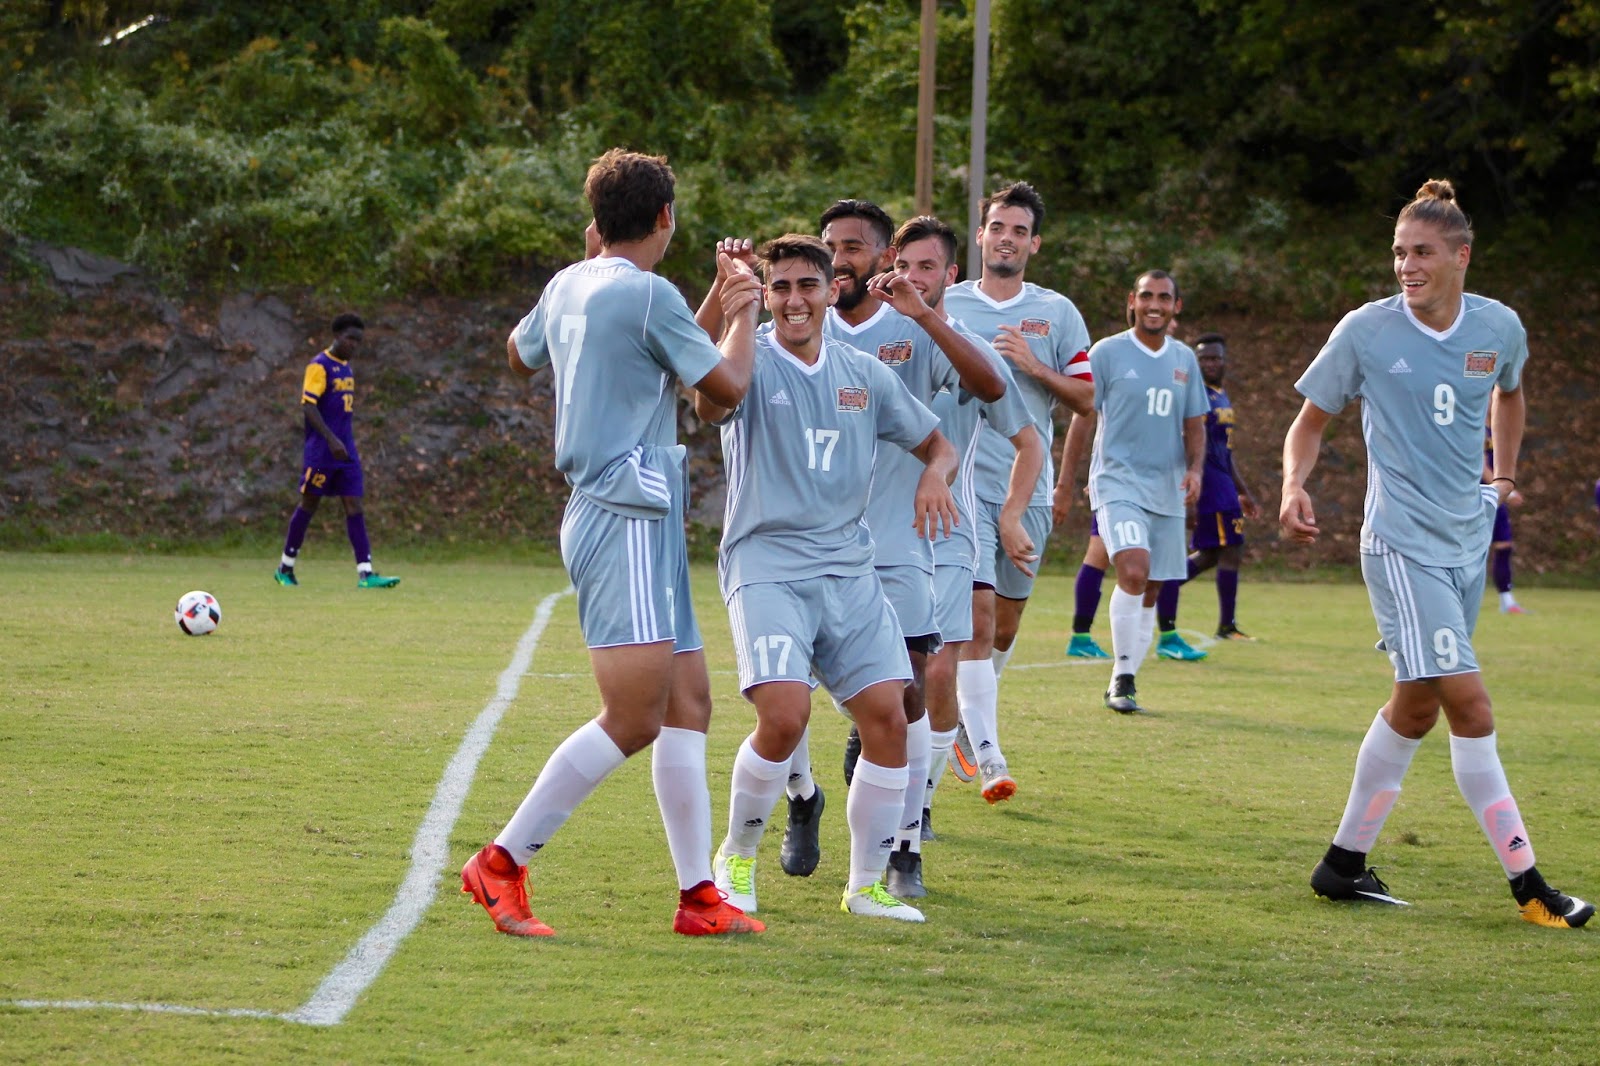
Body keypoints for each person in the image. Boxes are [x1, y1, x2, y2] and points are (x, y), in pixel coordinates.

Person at [461, 148, 766, 939]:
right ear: (665, 216)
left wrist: (712, 300)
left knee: (689, 705)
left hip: (641, 517)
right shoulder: (647, 294)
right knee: (633, 718)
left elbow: (520, 355)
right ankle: (500, 861)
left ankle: (698, 897)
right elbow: (725, 389)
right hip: (621, 512)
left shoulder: (574, 281)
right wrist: (743, 314)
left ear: (597, 220)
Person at [1282, 179, 1591, 928]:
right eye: (1399, 252)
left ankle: (1342, 865)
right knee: (1471, 707)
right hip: (1400, 543)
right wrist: (1294, 485)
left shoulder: (1498, 327)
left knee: (1416, 708)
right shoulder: (1366, 330)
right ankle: (1529, 886)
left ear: (1461, 256)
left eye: (1421, 252)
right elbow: (1310, 422)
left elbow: (1510, 393)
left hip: (1465, 540)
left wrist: (1503, 476)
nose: (1406, 266)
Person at [698, 233, 959, 923]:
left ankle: (866, 886)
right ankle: (735, 857)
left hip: (848, 565)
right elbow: (708, 407)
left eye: (807, 285)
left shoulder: (863, 373)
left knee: (889, 718)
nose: (794, 300)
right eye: (780, 287)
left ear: (830, 290)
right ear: (766, 295)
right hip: (766, 563)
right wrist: (733, 310)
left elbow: (939, 443)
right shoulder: (747, 355)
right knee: (785, 717)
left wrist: (935, 476)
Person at [944, 182, 1094, 775]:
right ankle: (987, 751)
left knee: (1004, 625)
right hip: (961, 487)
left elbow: (1086, 399)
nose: (1007, 239)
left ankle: (969, 718)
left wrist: (1034, 367)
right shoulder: (947, 304)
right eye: (998, 228)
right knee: (977, 621)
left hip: (1027, 485)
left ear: (1035, 244)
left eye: (1020, 231)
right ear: (981, 235)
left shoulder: (1057, 312)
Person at [1088, 271, 1208, 713]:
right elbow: (1083, 415)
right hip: (1117, 481)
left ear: (1176, 306)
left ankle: (1125, 681)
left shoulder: (1184, 359)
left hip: (1167, 488)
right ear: (1132, 301)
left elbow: (1195, 423)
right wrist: (1065, 482)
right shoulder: (1107, 352)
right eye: (1146, 296)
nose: (1154, 304)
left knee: (1152, 587)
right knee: (1134, 571)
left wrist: (1195, 469)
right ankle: (1122, 673)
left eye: (1163, 297)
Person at [272, 313, 401, 589]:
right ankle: (285, 568)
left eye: (358, 341)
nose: (354, 345)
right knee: (309, 504)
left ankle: (366, 574)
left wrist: (343, 442)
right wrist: (331, 439)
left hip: (346, 451)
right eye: (350, 339)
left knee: (354, 505)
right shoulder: (319, 366)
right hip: (322, 451)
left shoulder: (347, 369)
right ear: (337, 336)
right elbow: (308, 406)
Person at [1153, 332, 1263, 651]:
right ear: (1196, 362)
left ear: (1225, 361)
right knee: (1228, 549)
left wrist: (1243, 490)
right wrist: (1190, 490)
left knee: (1217, 552)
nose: (1211, 363)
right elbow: (1189, 442)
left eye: (1216, 358)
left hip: (1224, 484)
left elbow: (1225, 451)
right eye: (1204, 358)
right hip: (1208, 485)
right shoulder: (1196, 397)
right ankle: (1222, 623)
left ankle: (1164, 588)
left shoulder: (1220, 395)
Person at [1483, 424, 1526, 613]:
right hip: (1481, 494)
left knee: (1503, 545)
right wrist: (1503, 490)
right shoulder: (1477, 427)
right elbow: (1481, 466)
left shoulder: (1497, 429)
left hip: (1496, 496)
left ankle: (1506, 601)